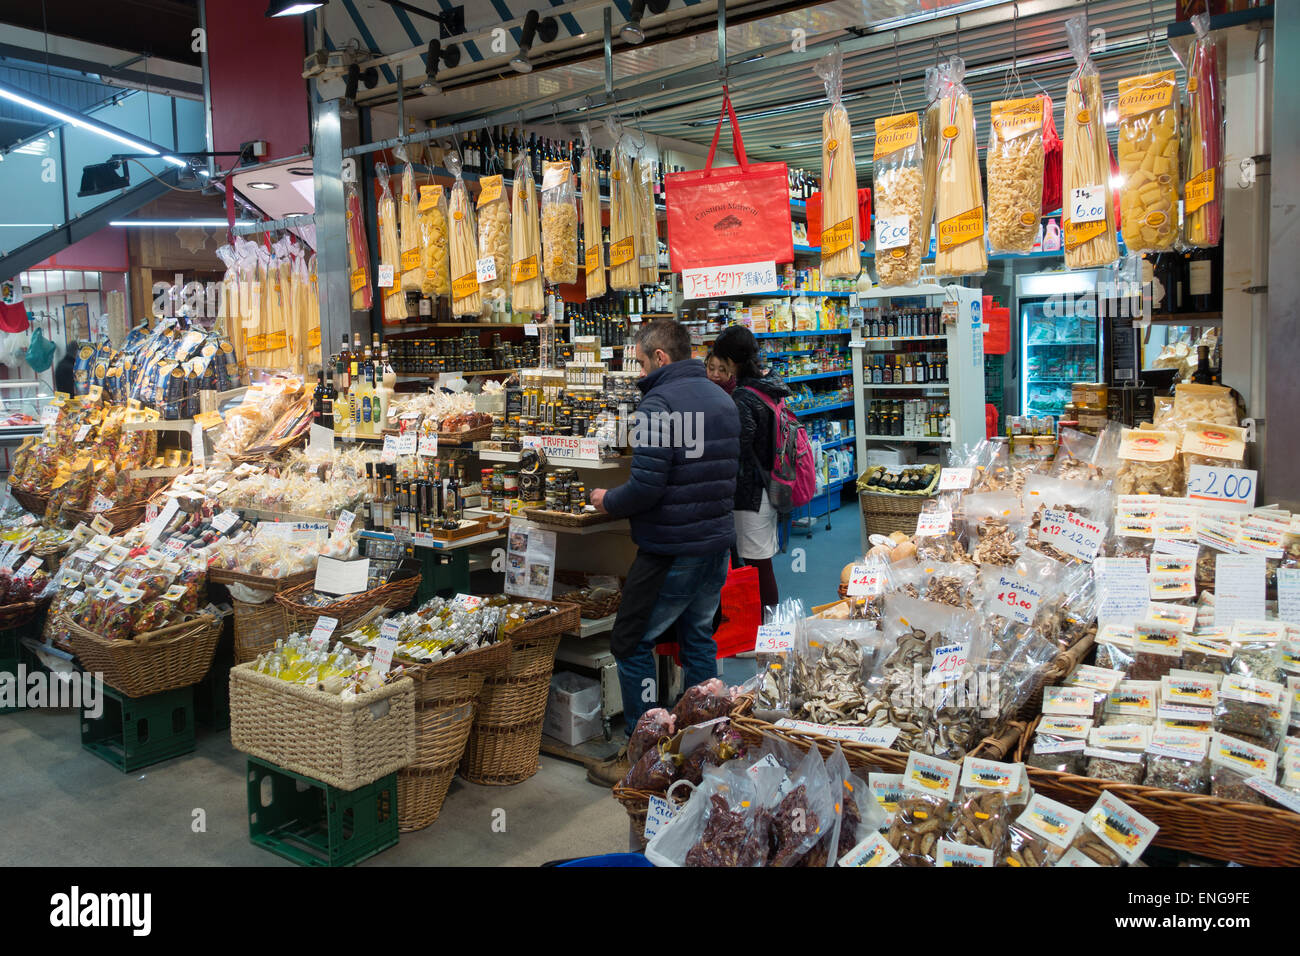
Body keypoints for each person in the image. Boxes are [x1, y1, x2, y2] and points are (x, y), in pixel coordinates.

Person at [586, 319, 740, 786]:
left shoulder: (658, 406)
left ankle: (642, 753)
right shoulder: (721, 397)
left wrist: (606, 500)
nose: (637, 371)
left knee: (631, 643)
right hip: (714, 546)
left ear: (660, 358)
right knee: (697, 638)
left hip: (671, 549)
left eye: (639, 361)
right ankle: (704, 746)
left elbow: (646, 488)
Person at [711, 325, 785, 610]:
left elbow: (739, 447)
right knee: (760, 561)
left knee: (757, 564)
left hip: (751, 492)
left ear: (732, 362)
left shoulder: (744, 396)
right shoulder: (768, 387)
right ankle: (764, 629)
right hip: (769, 486)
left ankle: (763, 633)